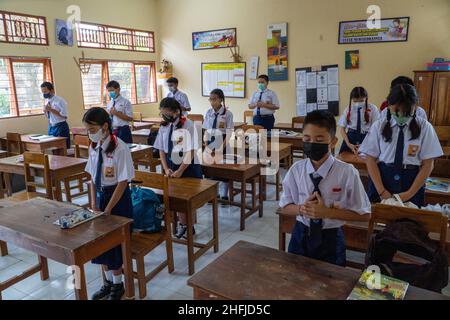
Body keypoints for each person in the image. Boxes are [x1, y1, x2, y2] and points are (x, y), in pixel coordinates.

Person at [279, 110, 371, 266]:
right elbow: (284, 207)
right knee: (294, 280)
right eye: (307, 138)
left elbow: (365, 215)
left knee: (331, 283)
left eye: (319, 139)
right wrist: (303, 209)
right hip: (300, 236)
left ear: (333, 142)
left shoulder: (347, 173)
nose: (312, 143)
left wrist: (327, 212)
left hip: (331, 239)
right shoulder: (296, 170)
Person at [359, 84, 443, 207]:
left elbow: (428, 164)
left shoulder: (424, 127)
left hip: (411, 181)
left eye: (407, 113)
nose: (401, 116)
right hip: (383, 179)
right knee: (380, 222)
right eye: (396, 112)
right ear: (389, 106)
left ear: (415, 107)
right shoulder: (379, 126)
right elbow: (370, 159)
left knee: (409, 224)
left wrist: (409, 194)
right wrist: (382, 191)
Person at [83, 107, 134, 300]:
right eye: (87, 130)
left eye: (92, 129)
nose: (90, 133)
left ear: (105, 126)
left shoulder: (120, 147)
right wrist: (94, 204)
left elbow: (123, 182)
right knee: (100, 242)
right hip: (101, 196)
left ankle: (118, 285)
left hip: (118, 200)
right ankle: (108, 282)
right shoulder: (93, 146)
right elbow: (93, 179)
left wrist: (108, 209)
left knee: (113, 244)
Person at [153, 97, 201, 239]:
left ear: (176, 112)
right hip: (171, 165)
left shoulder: (189, 125)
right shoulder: (164, 126)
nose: (164, 116)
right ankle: (184, 225)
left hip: (188, 165)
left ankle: (189, 226)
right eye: (162, 113)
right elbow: (161, 150)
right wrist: (166, 168)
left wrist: (180, 171)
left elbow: (191, 151)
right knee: (176, 198)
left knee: (187, 199)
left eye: (167, 113)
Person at [203, 89, 233, 200]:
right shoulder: (208, 112)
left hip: (222, 141)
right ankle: (214, 194)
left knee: (223, 169)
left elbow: (229, 133)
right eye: (210, 99)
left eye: (214, 99)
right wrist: (206, 146)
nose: (212, 102)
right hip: (210, 141)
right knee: (211, 169)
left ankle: (225, 195)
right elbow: (206, 130)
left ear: (221, 99)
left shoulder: (228, 114)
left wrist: (221, 148)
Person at [337, 87, 379, 154]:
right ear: (352, 99)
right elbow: (342, 129)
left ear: (366, 98)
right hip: (350, 138)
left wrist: (366, 144)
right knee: (345, 159)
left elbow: (375, 129)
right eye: (355, 101)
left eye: (361, 101)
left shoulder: (373, 108)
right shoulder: (348, 109)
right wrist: (348, 144)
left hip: (367, 138)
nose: (358, 103)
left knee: (365, 161)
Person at [40, 82, 70, 148]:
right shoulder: (46, 101)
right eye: (43, 92)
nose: (44, 94)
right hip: (51, 126)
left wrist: (51, 109)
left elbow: (64, 116)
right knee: (52, 148)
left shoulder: (60, 101)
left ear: (52, 90)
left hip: (61, 126)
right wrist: (45, 111)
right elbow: (48, 117)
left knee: (62, 148)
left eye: (45, 91)